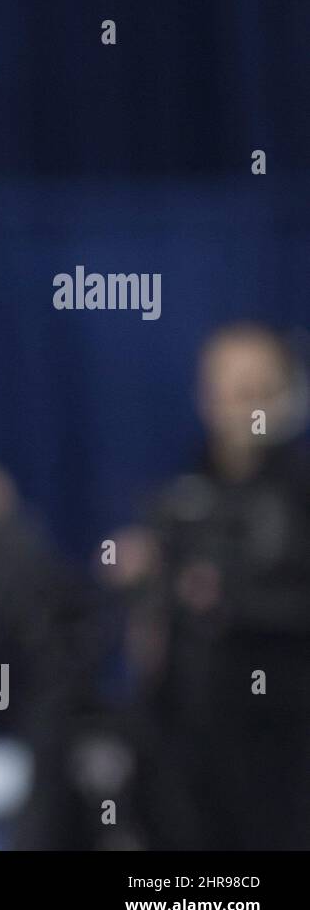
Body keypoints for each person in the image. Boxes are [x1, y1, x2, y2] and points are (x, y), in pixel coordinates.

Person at [126, 322, 310, 849]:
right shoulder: (180, 496)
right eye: (230, 389)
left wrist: (233, 602)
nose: (243, 407)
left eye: (258, 388)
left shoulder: (298, 495)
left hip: (284, 753)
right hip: (190, 757)